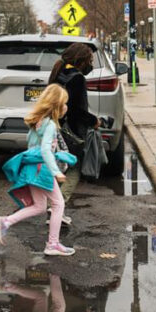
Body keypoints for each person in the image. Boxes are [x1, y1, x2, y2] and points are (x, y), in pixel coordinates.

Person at [0, 84, 76, 256]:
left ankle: (6, 221)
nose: (66, 107)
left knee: (39, 206)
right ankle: (52, 244)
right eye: (64, 103)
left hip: (32, 169)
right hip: (43, 169)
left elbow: (33, 146)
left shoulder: (38, 122)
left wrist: (57, 154)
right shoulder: (51, 125)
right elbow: (45, 150)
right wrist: (56, 171)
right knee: (58, 203)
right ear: (56, 105)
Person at [49, 42, 101, 209]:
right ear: (81, 60)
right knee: (74, 168)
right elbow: (76, 110)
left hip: (56, 127)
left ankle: (54, 205)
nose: (90, 64)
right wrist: (94, 121)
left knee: (59, 167)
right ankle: (58, 206)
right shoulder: (77, 78)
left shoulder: (58, 73)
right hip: (72, 131)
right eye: (89, 60)